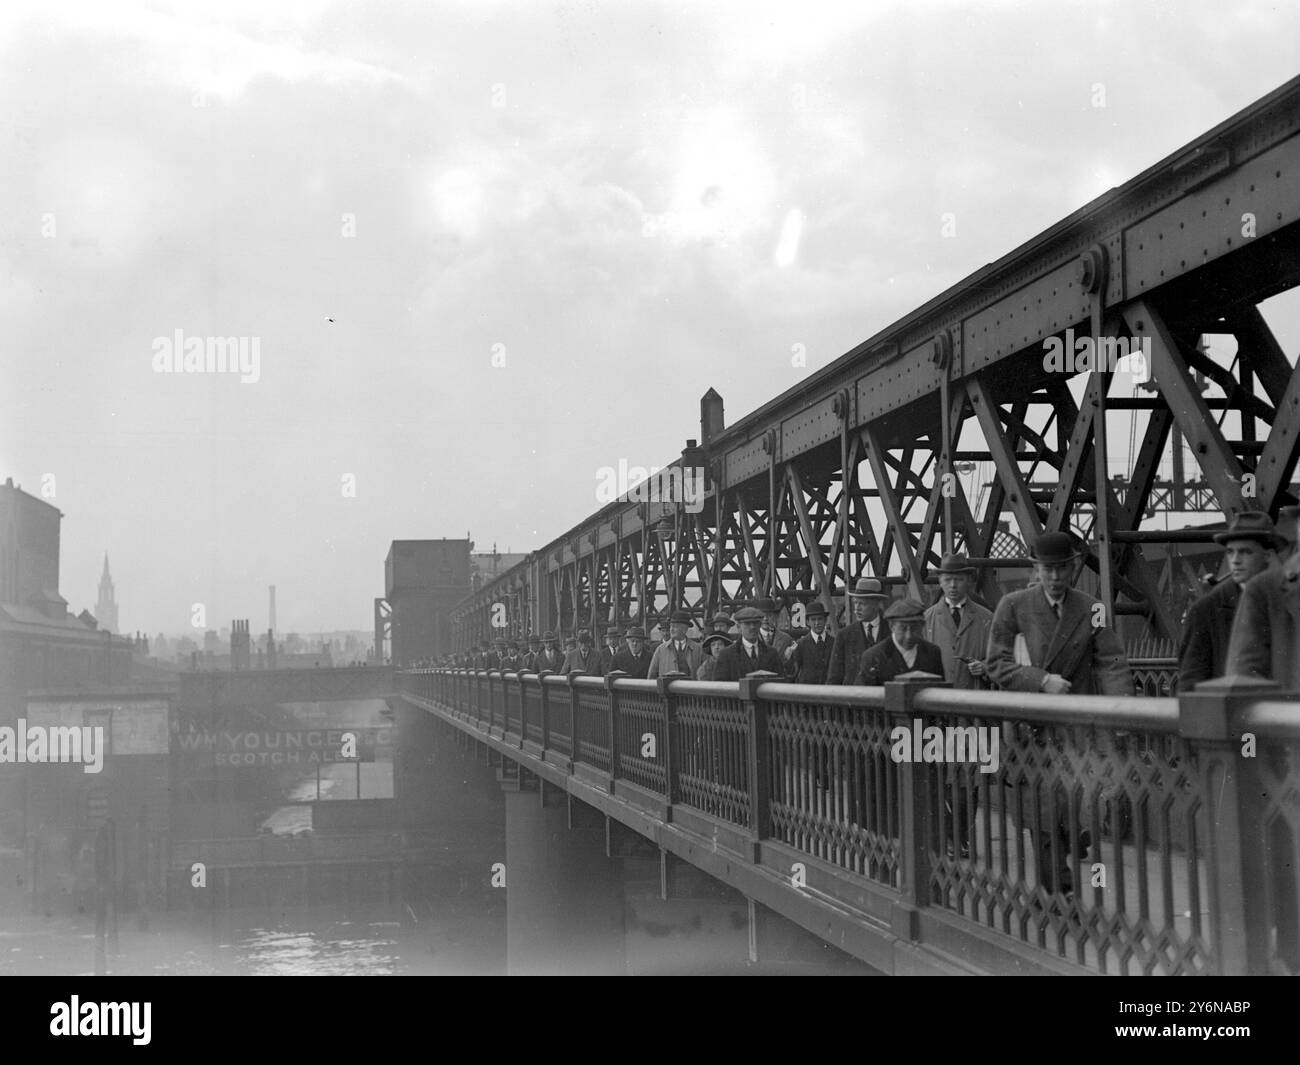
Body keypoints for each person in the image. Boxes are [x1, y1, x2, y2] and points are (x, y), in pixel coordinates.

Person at [986, 531, 1131, 896]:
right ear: (1036, 567)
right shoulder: (1013, 605)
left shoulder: (1090, 607)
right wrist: (1040, 679)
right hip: (1028, 726)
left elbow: (1110, 662)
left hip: (1073, 727)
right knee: (1044, 810)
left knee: (1068, 805)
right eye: (1047, 569)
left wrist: (1122, 712)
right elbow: (996, 663)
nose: (1054, 577)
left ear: (1072, 568)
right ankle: (1059, 890)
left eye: (1061, 569)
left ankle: (1059, 874)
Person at [1182, 512, 1283, 688]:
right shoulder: (1206, 611)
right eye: (1230, 552)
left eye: (1245, 552)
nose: (1235, 560)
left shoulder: (1287, 599)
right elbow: (1191, 683)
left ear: (1267, 555)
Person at [923, 553, 993, 689]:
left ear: (968, 581)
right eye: (948, 580)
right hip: (938, 699)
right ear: (940, 582)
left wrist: (985, 667)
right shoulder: (926, 619)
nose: (953, 585)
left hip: (975, 699)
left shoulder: (987, 618)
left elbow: (1001, 660)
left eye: (959, 580)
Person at [853, 599, 945, 684]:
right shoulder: (873, 657)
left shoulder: (933, 653)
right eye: (903, 629)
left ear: (922, 626)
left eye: (914, 629)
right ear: (891, 626)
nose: (909, 636)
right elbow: (864, 697)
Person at [827, 577, 890, 684]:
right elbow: (834, 678)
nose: (857, 608)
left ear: (876, 604)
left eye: (862, 603)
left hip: (886, 698)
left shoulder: (892, 632)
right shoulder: (844, 636)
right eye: (855, 603)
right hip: (854, 698)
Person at [713, 607, 785, 681]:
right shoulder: (727, 655)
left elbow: (781, 682)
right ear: (739, 627)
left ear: (760, 625)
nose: (752, 627)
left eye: (755, 623)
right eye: (747, 623)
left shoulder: (772, 653)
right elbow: (720, 686)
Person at [788, 601, 834, 683]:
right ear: (808, 622)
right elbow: (793, 673)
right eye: (813, 620)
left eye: (820, 619)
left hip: (830, 691)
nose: (817, 623)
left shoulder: (834, 643)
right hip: (808, 692)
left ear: (825, 620)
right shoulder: (800, 644)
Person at [648, 610, 704, 678]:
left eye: (675, 627)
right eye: (671, 626)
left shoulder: (698, 650)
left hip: (691, 688)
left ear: (684, 629)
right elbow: (651, 676)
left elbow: (704, 676)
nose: (671, 630)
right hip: (666, 688)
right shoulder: (660, 650)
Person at [756, 597, 796, 662]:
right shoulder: (751, 638)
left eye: (769, 615)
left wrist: (787, 658)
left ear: (775, 616)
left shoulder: (786, 639)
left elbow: (793, 668)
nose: (765, 618)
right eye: (762, 615)